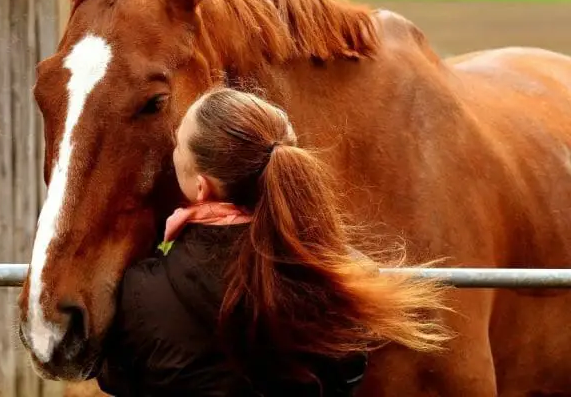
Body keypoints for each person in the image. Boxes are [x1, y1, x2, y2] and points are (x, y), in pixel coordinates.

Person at [97, 88, 451, 397]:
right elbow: (348, 374)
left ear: (201, 188)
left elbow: (118, 379)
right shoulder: (344, 281)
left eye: (177, 146)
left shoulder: (141, 291)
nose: (173, 153)